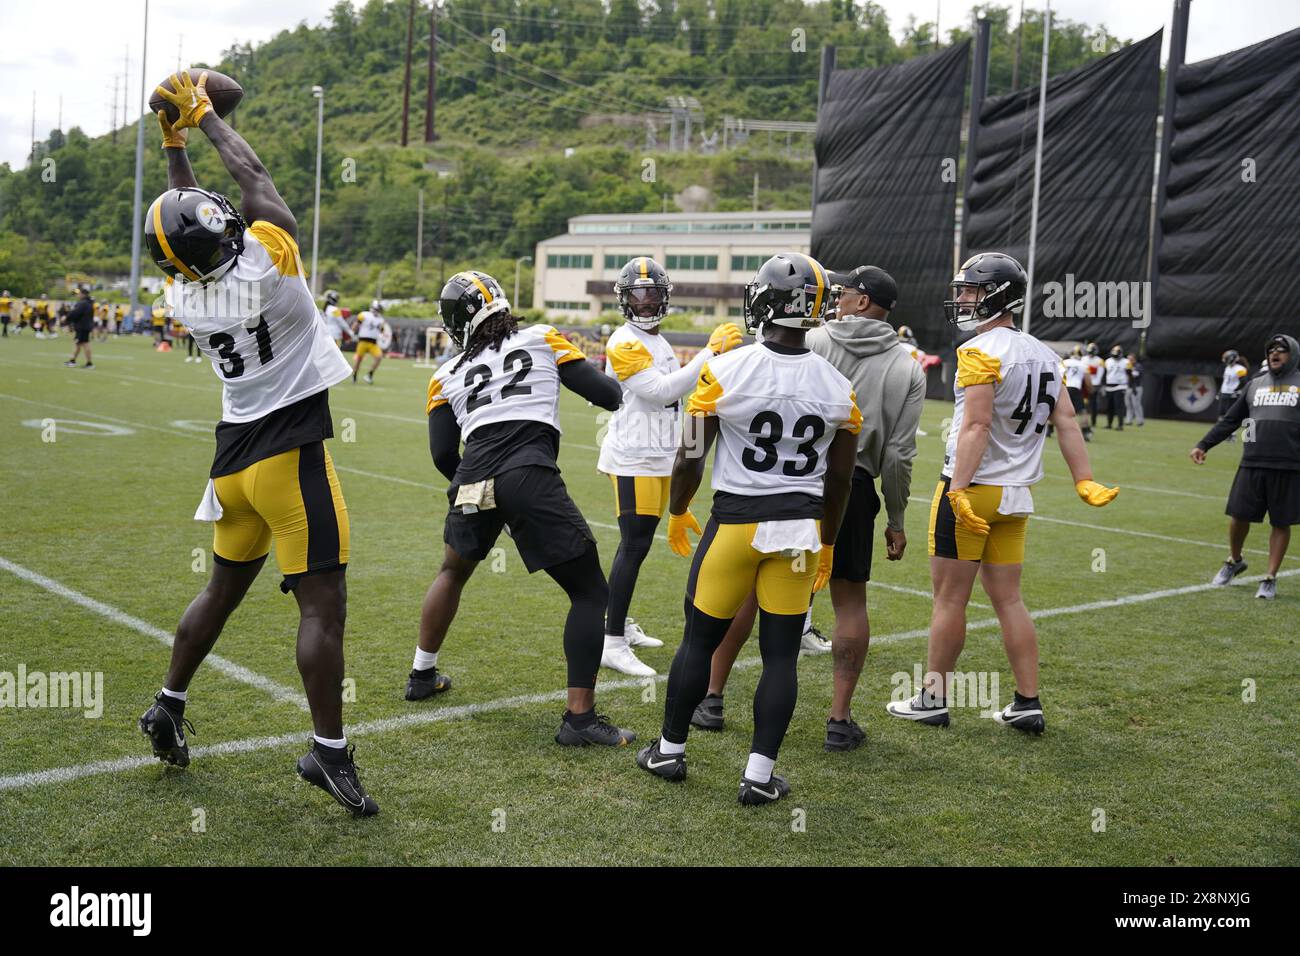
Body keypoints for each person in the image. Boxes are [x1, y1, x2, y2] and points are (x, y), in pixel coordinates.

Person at [136, 70, 377, 816]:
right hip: (289, 455)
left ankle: (168, 704)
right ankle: (329, 753)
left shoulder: (183, 294)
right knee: (322, 607)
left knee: (222, 590)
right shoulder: (269, 258)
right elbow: (253, 178)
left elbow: (191, 220)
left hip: (233, 464)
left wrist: (172, 142)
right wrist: (202, 117)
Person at [635, 253, 860, 804]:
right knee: (781, 655)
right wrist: (827, 542)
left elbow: (690, 455)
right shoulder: (837, 386)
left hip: (737, 524)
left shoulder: (726, 369)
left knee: (698, 640)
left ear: (763, 301)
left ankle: (669, 750)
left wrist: (679, 507)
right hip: (802, 533)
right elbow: (840, 482)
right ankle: (759, 777)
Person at [686, 265, 924, 751]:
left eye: (846, 293)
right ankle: (838, 719)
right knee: (850, 602)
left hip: (781, 486)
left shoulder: (809, 341)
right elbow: (899, 453)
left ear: (863, 302)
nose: (835, 300)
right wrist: (896, 517)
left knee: (747, 592)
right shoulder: (908, 366)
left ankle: (710, 697)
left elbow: (702, 439)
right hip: (850, 487)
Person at [886, 252, 1118, 735]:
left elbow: (976, 424)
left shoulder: (979, 351)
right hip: (1016, 497)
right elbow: (1067, 420)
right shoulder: (1047, 354)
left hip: (973, 490)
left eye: (969, 290)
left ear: (996, 295)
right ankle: (1027, 702)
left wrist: (960, 489)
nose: (961, 298)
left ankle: (932, 698)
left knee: (949, 600)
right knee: (1009, 600)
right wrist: (1083, 478)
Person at [408, 269, 637, 748]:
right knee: (591, 593)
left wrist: (479, 488)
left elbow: (440, 456)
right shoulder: (541, 337)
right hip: (527, 471)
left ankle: (421, 675)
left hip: (472, 478)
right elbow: (608, 395)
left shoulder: (443, 374)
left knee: (452, 572)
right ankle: (579, 720)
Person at [596, 256, 743, 676]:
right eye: (637, 296)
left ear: (665, 297)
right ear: (624, 301)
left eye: (652, 294)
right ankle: (612, 642)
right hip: (634, 457)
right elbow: (661, 392)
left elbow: (683, 395)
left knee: (638, 547)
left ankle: (618, 622)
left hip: (658, 455)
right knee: (634, 544)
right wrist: (708, 352)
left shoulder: (658, 342)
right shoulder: (623, 342)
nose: (645, 303)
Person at [1193, 334, 1299, 599]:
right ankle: (1234, 560)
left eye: (1282, 350)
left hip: (1288, 465)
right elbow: (1230, 420)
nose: (1275, 353)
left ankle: (1270, 577)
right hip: (1252, 461)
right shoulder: (1254, 385)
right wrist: (1204, 444)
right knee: (1238, 516)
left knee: (1280, 522)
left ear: (1293, 354)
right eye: (1271, 349)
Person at [1218, 349, 1249, 442]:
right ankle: (1223, 434)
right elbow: (1225, 382)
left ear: (1231, 358)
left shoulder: (1240, 369)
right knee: (1221, 414)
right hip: (1225, 393)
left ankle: (1232, 435)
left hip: (1232, 395)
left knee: (1230, 416)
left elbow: (1244, 382)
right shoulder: (1227, 368)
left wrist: (1235, 390)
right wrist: (1220, 392)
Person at [352, 301, 386, 383]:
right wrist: (352, 333)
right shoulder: (364, 315)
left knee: (379, 357)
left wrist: (382, 335)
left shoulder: (381, 319)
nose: (379, 311)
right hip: (363, 341)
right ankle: (355, 375)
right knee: (359, 360)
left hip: (373, 343)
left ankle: (369, 375)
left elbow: (381, 330)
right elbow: (356, 325)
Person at [62, 286, 95, 368]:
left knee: (84, 344)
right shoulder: (88, 303)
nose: (77, 295)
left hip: (82, 327)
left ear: (83, 294)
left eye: (79, 294)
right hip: (84, 326)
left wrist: (66, 318)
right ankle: (73, 360)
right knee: (78, 343)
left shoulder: (83, 303)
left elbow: (75, 313)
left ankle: (89, 363)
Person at [1103, 344, 1129, 430]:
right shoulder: (1107, 361)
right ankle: (1109, 423)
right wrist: (1103, 384)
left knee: (1119, 406)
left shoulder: (1126, 362)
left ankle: (1120, 425)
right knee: (1109, 406)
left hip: (1120, 386)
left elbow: (1130, 374)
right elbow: (1104, 373)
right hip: (1109, 385)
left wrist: (1128, 385)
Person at [1084, 342, 1104, 431]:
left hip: (1094, 384)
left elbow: (1099, 375)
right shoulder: (1083, 359)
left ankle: (1093, 421)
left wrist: (1094, 385)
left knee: (1093, 404)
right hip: (1084, 384)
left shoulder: (1099, 361)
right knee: (1083, 404)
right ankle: (1084, 421)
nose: (1090, 354)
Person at [1125, 352, 1144, 426]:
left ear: (1134, 360)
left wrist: (1129, 371)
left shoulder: (1138, 366)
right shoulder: (1127, 366)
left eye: (1131, 359)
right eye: (1128, 359)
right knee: (1128, 404)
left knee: (1136, 404)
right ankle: (1128, 420)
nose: (1129, 361)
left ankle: (1140, 421)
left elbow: (1135, 375)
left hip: (1136, 387)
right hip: (1128, 387)